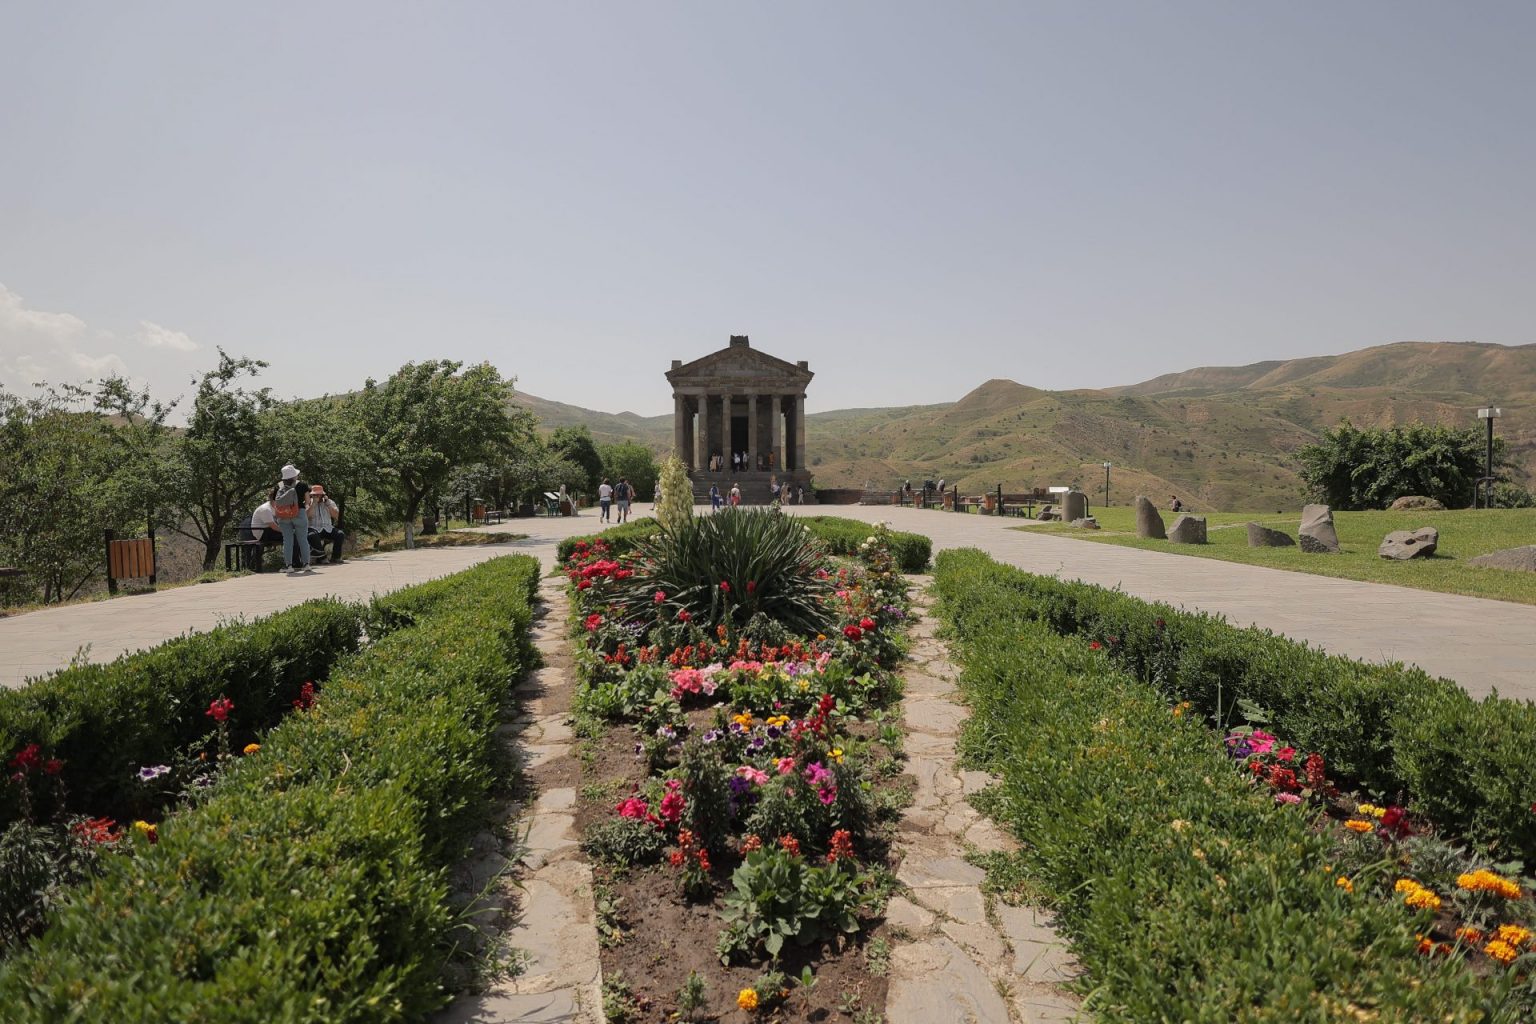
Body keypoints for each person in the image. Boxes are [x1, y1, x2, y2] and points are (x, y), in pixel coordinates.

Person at [271, 464, 312, 572]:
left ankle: (289, 566)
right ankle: (306, 564)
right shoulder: (302, 485)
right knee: (303, 539)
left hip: (283, 515)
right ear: (294, 476)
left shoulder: (278, 486)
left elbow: (275, 503)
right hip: (299, 513)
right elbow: (308, 501)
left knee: (287, 540)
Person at [306, 484, 346, 564]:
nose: (318, 496)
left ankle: (336, 557)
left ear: (323, 494)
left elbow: (337, 516)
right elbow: (307, 516)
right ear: (312, 495)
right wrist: (313, 504)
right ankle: (322, 557)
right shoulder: (308, 502)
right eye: (315, 495)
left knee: (340, 534)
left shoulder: (330, 502)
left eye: (319, 494)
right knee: (311, 536)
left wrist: (328, 505)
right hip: (314, 528)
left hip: (328, 528)